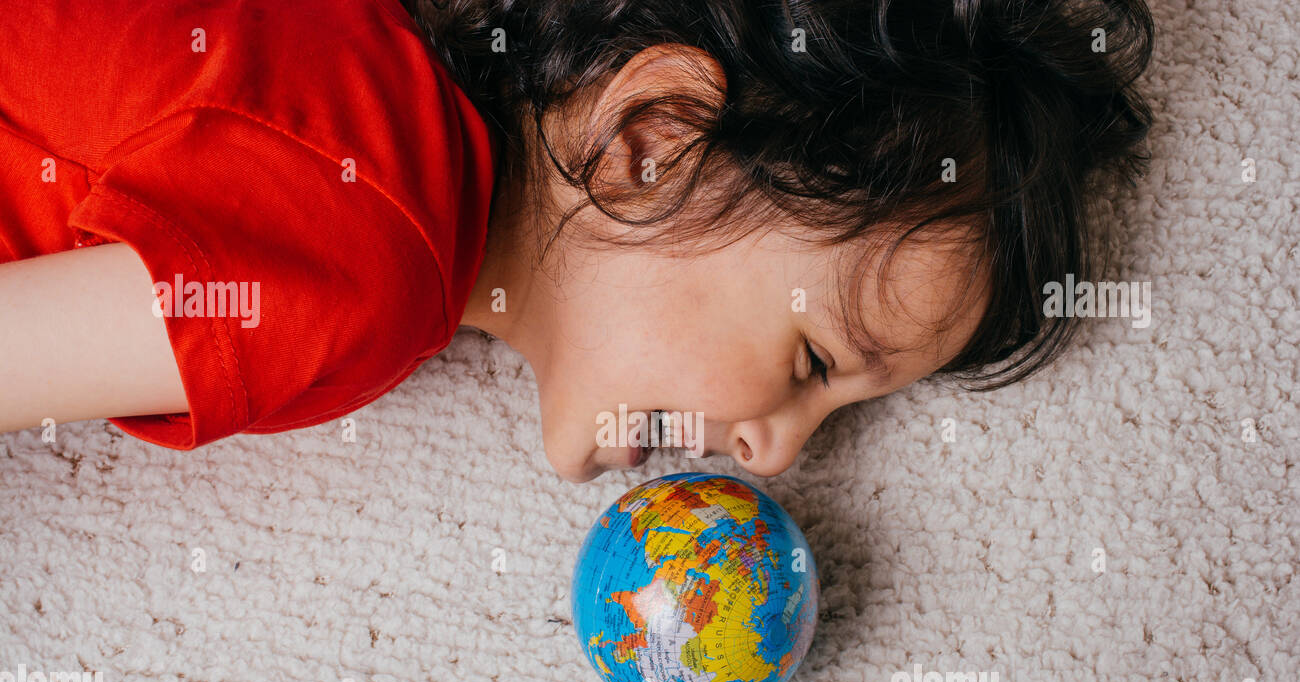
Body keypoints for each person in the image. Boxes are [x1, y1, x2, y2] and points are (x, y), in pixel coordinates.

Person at [0, 0, 1155, 482]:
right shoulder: (367, 263)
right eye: (811, 363)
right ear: (650, 145)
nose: (775, 454)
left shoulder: (359, 76)